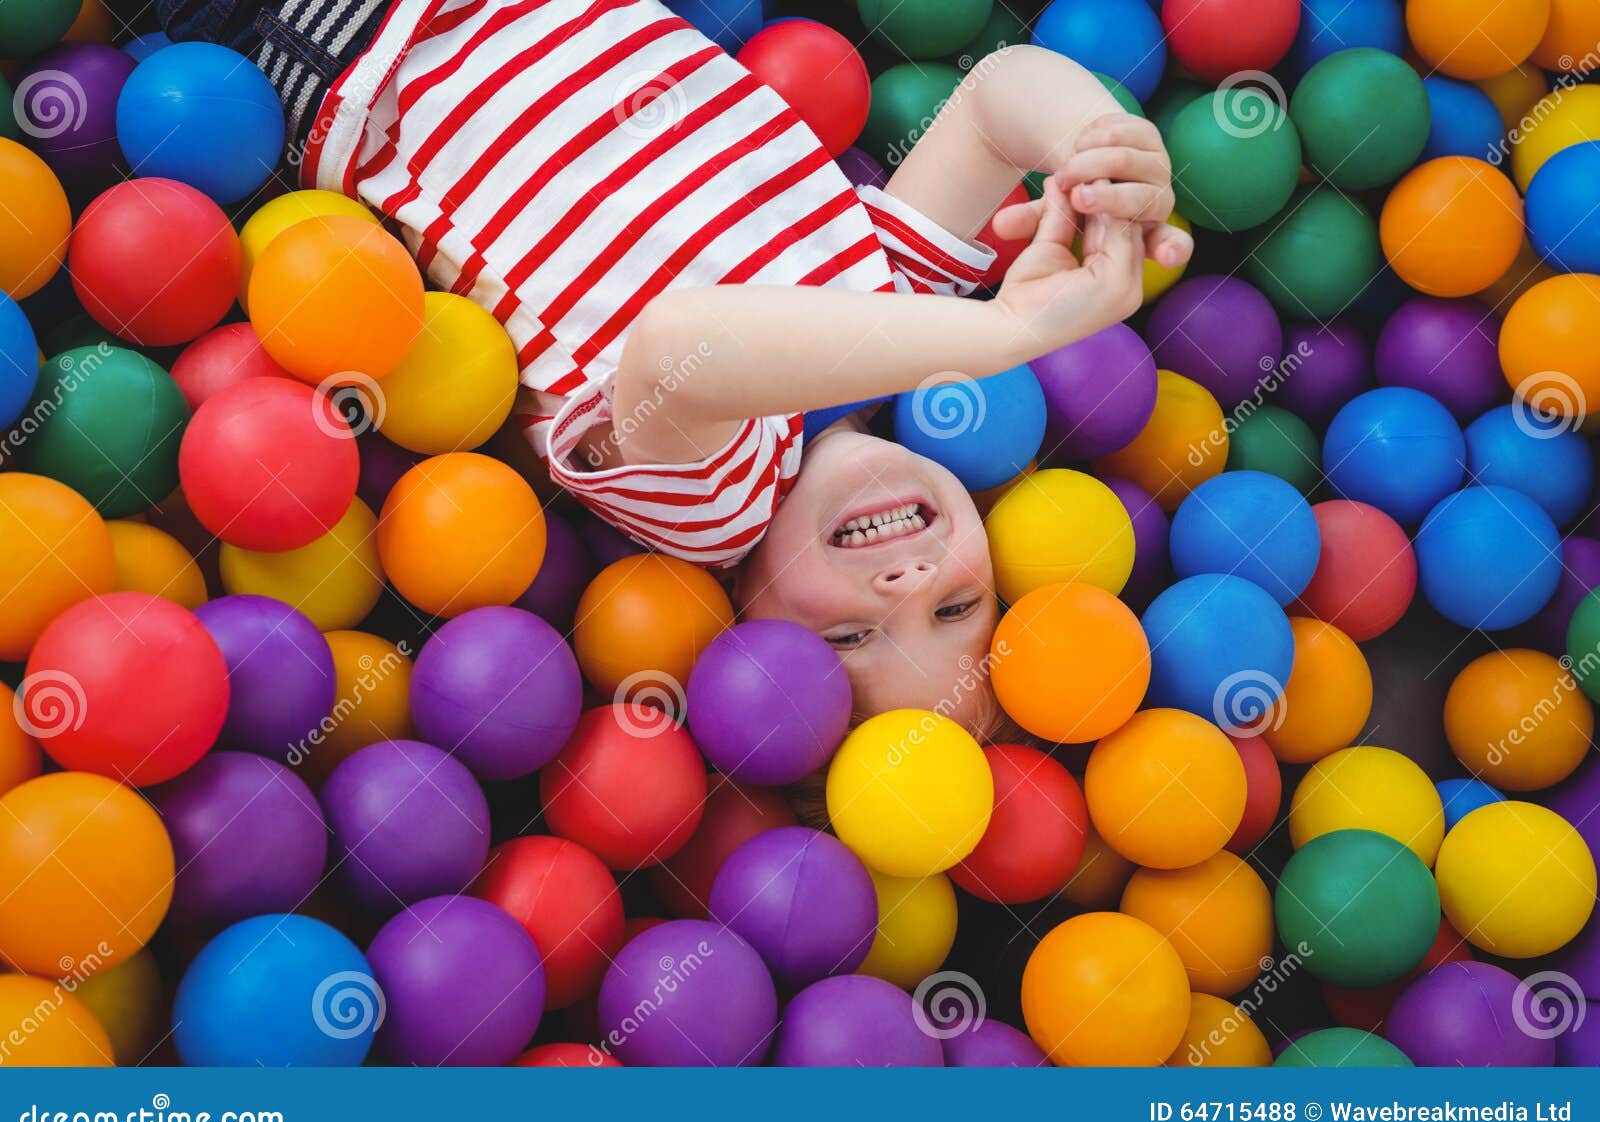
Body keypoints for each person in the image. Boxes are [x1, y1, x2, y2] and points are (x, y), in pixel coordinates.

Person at [157, 0, 1191, 736]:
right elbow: (999, 97)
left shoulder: (712, 504)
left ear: (747, 625)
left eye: (852, 634)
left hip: (336, 47)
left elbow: (680, 343)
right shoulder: (901, 310)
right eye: (956, 609)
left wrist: (1004, 334)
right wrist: (1101, 150)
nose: (908, 584)